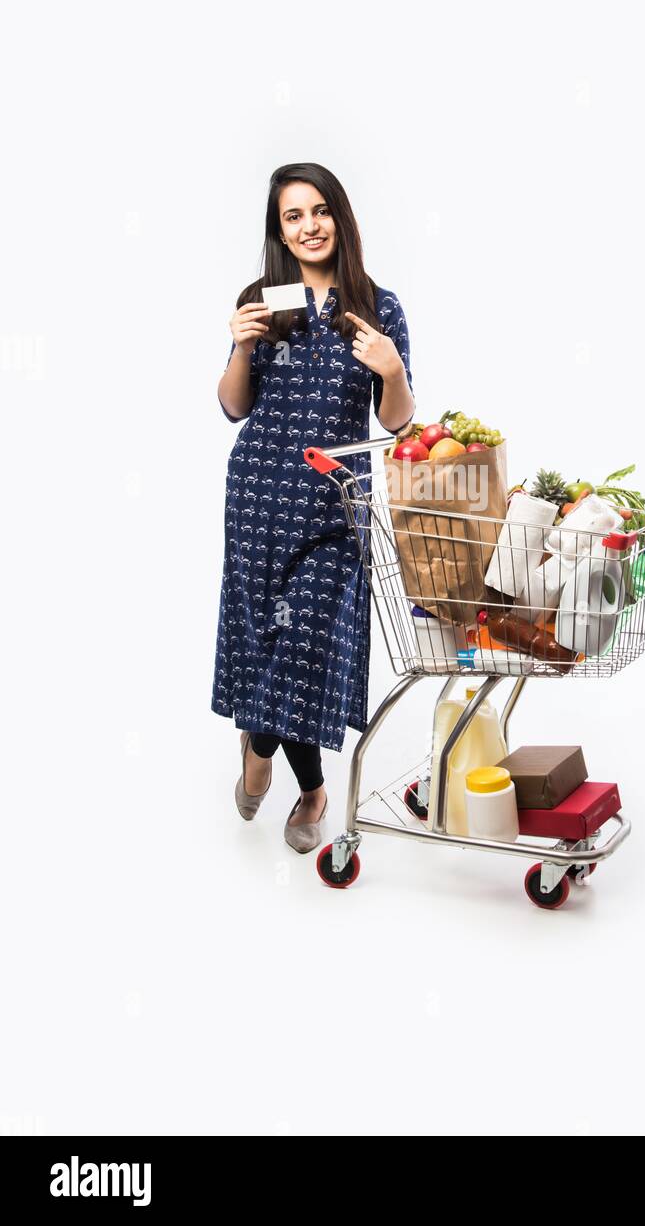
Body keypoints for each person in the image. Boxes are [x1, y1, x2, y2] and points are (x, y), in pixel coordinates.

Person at [212, 162, 415, 853]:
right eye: (292, 216)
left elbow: (396, 422)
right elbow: (234, 405)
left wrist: (390, 371)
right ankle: (307, 786)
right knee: (265, 647)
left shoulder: (379, 308)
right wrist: (241, 346)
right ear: (279, 229)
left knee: (301, 649)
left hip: (332, 509)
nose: (309, 226)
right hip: (258, 501)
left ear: (340, 217)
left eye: (319, 210)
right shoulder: (263, 301)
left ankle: (260, 747)